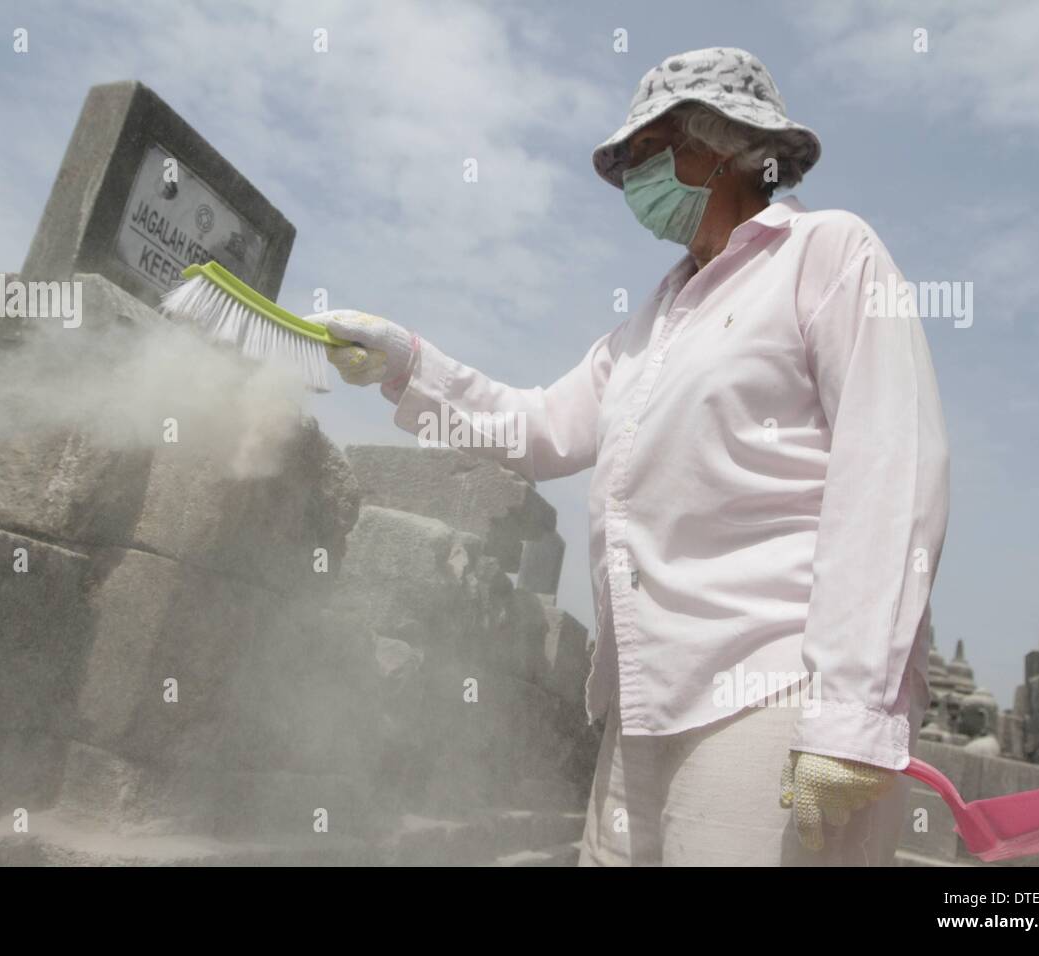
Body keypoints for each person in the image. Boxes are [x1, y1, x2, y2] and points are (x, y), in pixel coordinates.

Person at [312, 46, 950, 866]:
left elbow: (891, 466)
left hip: (773, 691)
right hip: (646, 698)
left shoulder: (828, 253)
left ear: (721, 145)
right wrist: (405, 365)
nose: (633, 181)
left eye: (648, 151)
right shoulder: (651, 323)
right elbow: (540, 429)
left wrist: (850, 717)